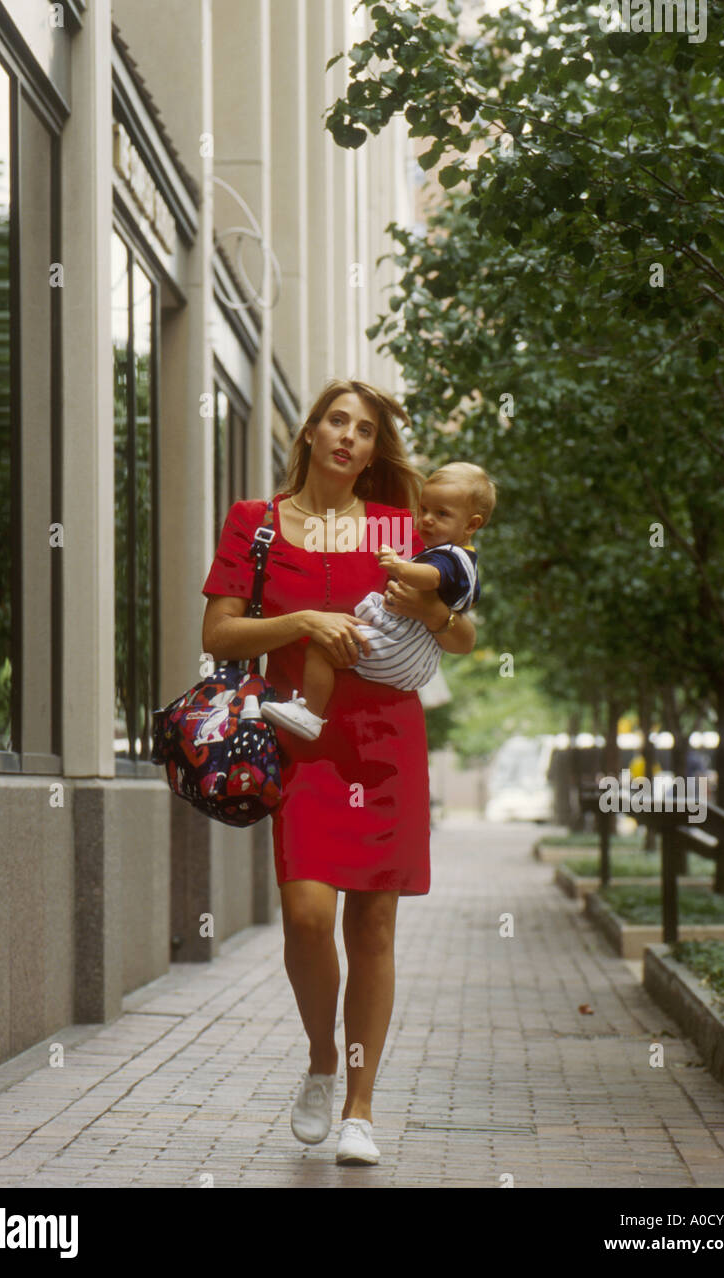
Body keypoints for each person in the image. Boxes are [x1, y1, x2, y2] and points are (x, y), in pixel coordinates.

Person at [200, 380, 477, 1165]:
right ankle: (322, 1058)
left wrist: (435, 612)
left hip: (386, 741)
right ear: (312, 432)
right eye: (336, 421)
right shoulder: (254, 523)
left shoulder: (400, 525)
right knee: (309, 916)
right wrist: (302, 622)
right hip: (303, 733)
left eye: (364, 428)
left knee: (376, 925)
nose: (349, 437)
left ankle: (360, 1106)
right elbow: (218, 634)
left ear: (373, 447)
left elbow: (463, 637)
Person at [260, 462, 493, 740]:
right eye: (424, 510)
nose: (427, 519)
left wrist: (401, 570)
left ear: (472, 524)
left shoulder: (441, 551)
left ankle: (310, 713)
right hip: (411, 662)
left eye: (441, 513)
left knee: (322, 646)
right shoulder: (453, 555)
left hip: (398, 660)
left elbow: (441, 596)